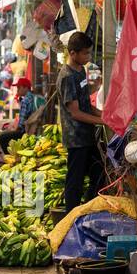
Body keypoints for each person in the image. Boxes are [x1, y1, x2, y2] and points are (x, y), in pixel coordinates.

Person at [59, 32, 105, 209]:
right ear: (72, 53)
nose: (88, 57)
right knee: (75, 181)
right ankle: (71, 218)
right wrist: (103, 122)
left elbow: (86, 103)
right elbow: (76, 113)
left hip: (88, 135)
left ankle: (88, 210)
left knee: (98, 173)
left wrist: (103, 114)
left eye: (89, 53)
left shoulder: (80, 71)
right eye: (85, 53)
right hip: (76, 138)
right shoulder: (67, 77)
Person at [0, 77, 43, 154]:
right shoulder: (33, 97)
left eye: (19, 87)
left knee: (2, 137)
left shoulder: (25, 100)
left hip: (26, 132)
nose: (17, 90)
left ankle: (10, 157)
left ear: (25, 88)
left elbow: (21, 125)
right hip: (34, 129)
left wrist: (12, 130)